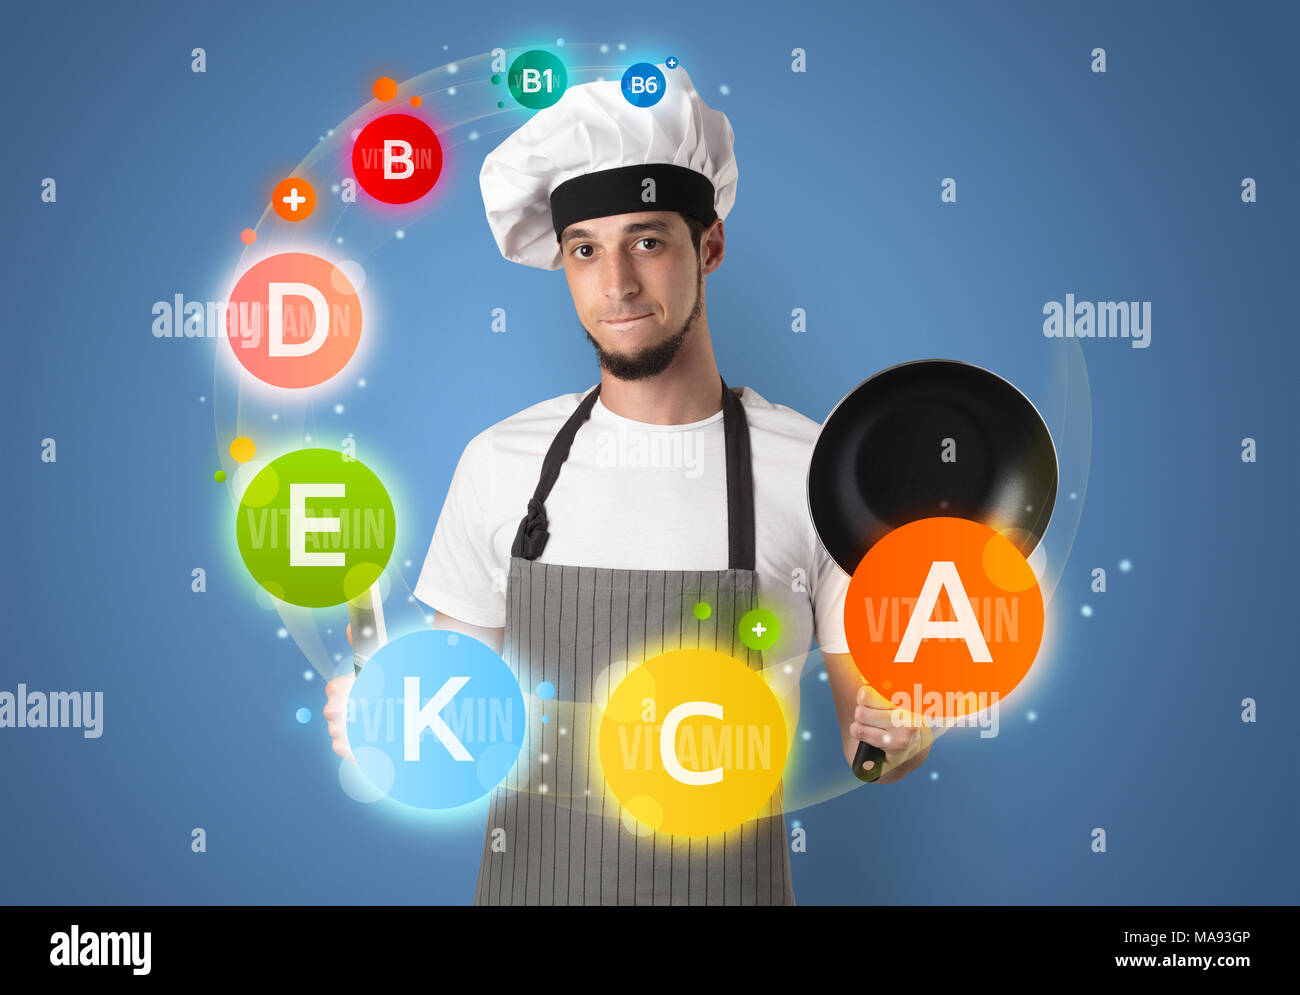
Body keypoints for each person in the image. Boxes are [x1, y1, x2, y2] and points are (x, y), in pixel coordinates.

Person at [325, 64, 930, 905]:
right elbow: (455, 723)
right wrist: (387, 726)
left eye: (647, 240)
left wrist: (899, 735)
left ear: (708, 246)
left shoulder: (816, 470)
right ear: (564, 264)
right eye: (586, 250)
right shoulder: (501, 465)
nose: (616, 284)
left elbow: (874, 745)